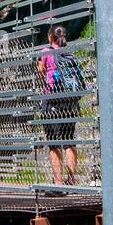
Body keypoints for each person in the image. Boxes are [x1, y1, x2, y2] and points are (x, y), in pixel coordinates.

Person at [37, 25, 83, 185]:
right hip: (70, 103)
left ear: (50, 37)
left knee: (53, 143)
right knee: (69, 141)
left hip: (52, 101)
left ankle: (58, 182)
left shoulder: (46, 52)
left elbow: (41, 73)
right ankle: (71, 179)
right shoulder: (69, 54)